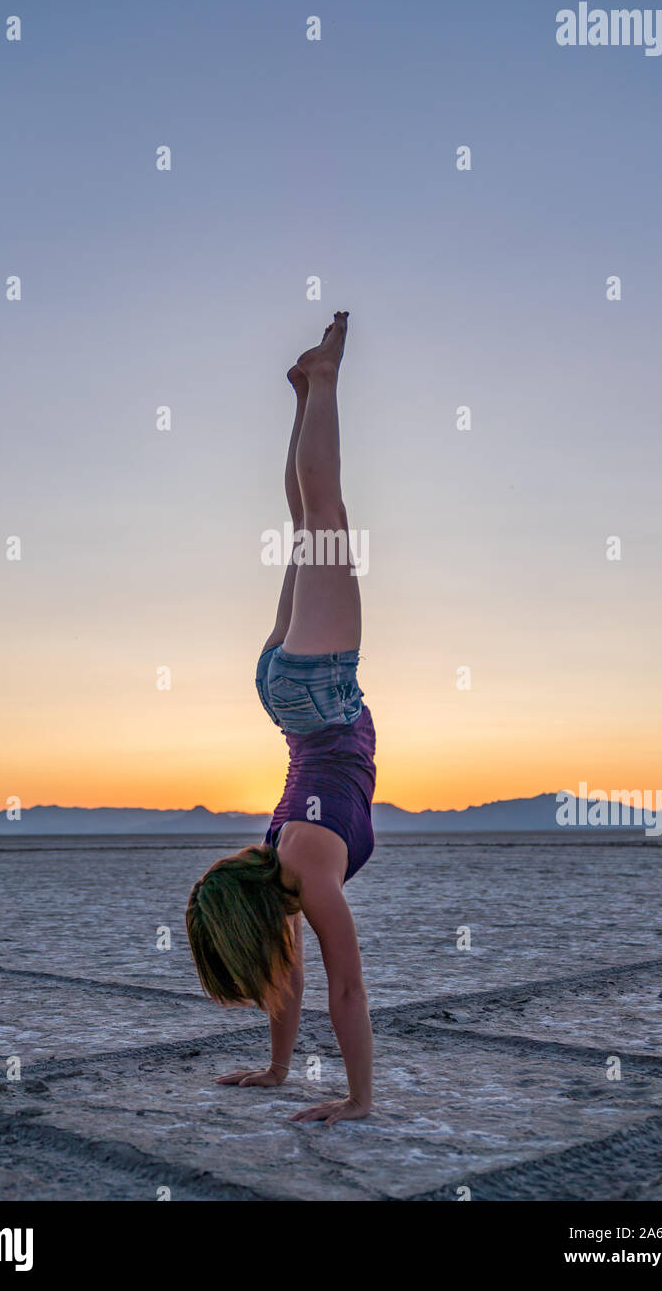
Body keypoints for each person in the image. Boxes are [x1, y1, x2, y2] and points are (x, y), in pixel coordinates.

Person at [186, 311, 376, 1125]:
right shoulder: (281, 865)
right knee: (307, 526)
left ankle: (323, 381)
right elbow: (293, 985)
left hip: (320, 693)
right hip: (285, 697)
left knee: (325, 519)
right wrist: (275, 1070)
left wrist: (359, 1101)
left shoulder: (310, 870)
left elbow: (346, 988)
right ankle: (304, 389)